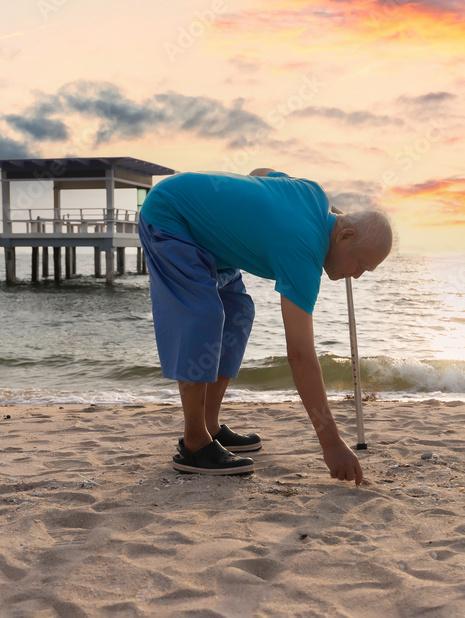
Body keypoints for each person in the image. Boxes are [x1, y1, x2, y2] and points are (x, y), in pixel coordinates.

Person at [138, 168, 393, 486]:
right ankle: (194, 442)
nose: (357, 276)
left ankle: (210, 425)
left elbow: (260, 174)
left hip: (208, 237)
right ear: (345, 236)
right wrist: (332, 445)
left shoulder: (314, 194)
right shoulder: (303, 249)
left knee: (239, 311)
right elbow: (300, 355)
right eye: (362, 265)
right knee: (202, 315)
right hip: (170, 215)